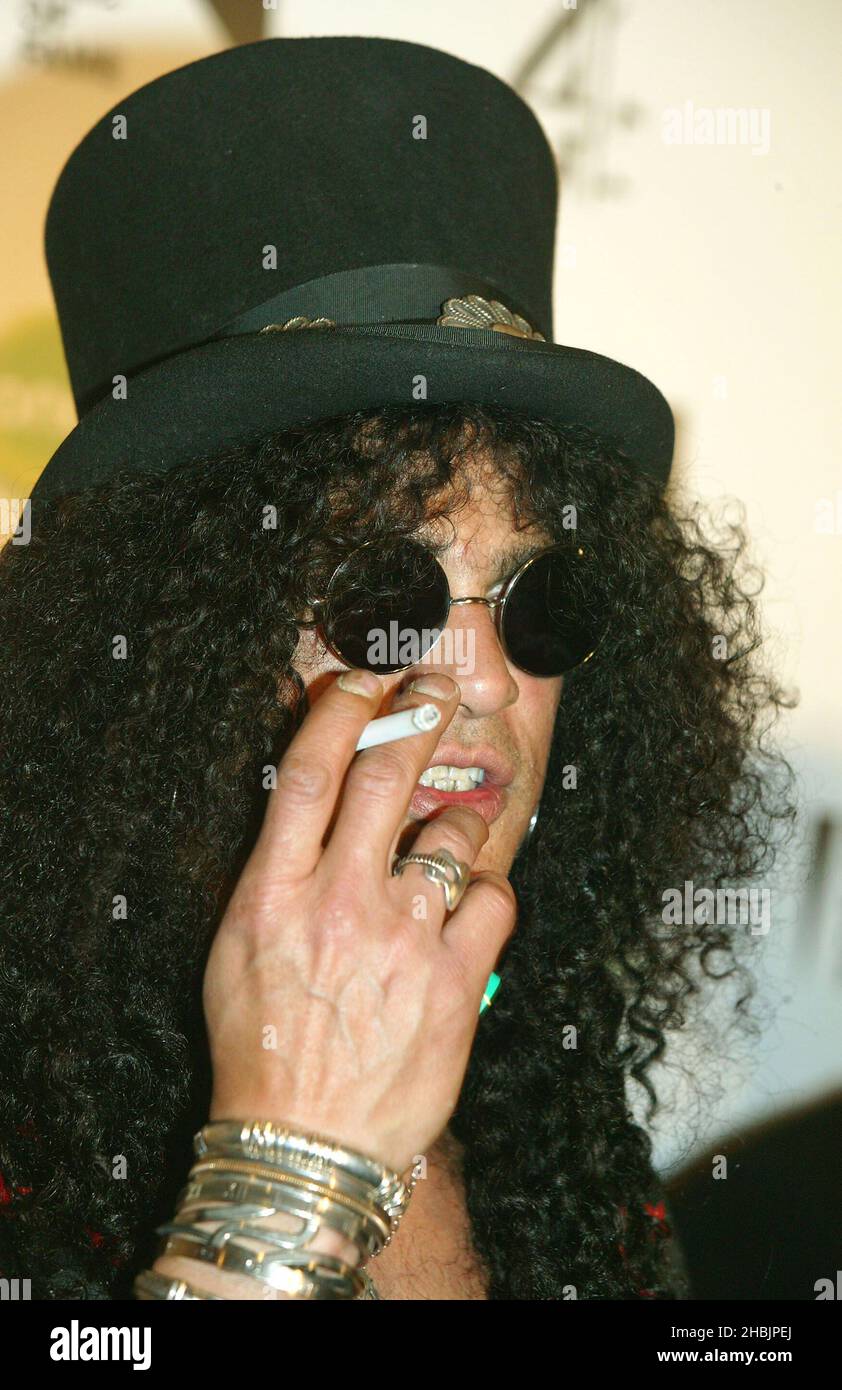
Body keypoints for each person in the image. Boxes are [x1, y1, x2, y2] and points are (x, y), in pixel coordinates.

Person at [0, 38, 796, 1301]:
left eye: (541, 603)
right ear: (164, 645)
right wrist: (292, 1165)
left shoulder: (554, 1134)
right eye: (382, 595)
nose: (480, 678)